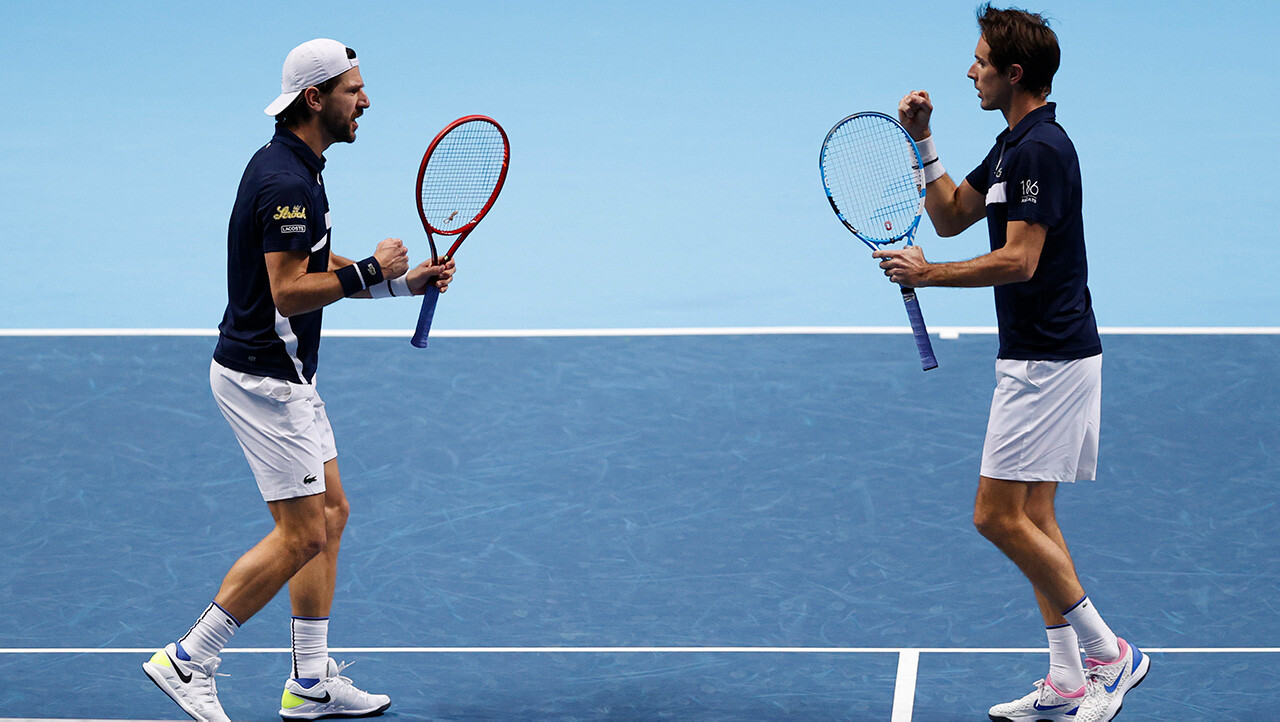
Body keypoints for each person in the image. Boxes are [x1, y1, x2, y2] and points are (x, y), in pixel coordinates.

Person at [143, 38, 455, 721]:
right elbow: (289, 290)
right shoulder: (286, 182)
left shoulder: (296, 167)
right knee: (302, 534)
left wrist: (400, 284)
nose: (365, 101)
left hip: (285, 375)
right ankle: (189, 658)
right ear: (315, 99)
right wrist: (370, 269)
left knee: (331, 515)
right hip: (264, 382)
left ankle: (309, 683)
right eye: (353, 90)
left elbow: (313, 262)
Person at [874, 6, 1148, 721]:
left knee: (995, 517)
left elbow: (1020, 260)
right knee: (1033, 516)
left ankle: (1110, 654)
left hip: (1048, 362)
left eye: (980, 62)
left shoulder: (1040, 151)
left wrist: (928, 277)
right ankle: (1066, 680)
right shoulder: (1010, 148)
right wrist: (923, 139)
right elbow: (948, 215)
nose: (970, 72)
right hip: (1044, 354)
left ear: (1013, 72)